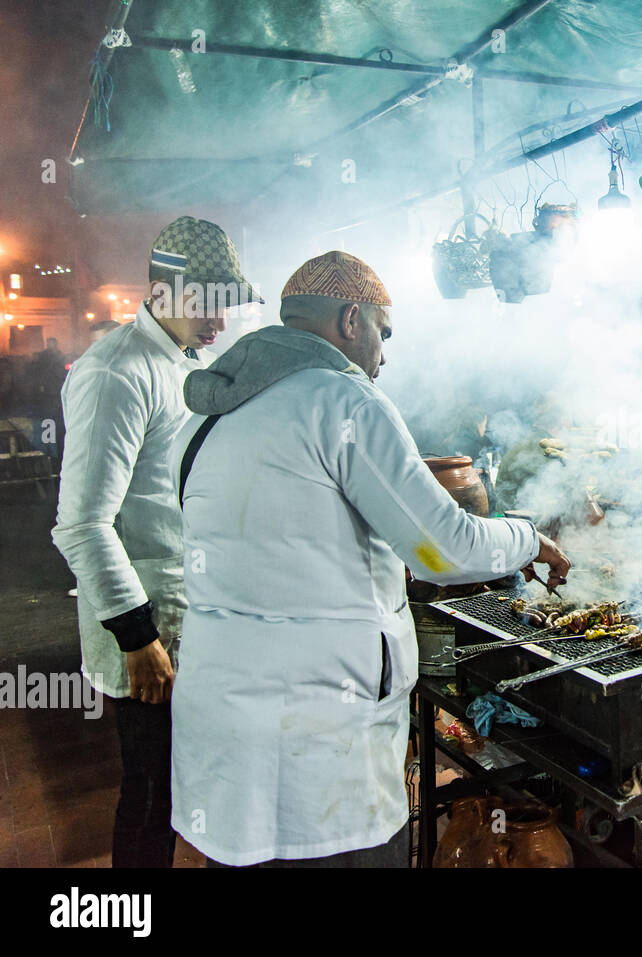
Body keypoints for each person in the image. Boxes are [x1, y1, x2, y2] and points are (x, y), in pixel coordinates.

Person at [168, 250, 570, 867]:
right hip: (321, 731)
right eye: (384, 333)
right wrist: (525, 536)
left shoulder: (206, 417)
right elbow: (444, 547)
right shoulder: (343, 401)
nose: (385, 355)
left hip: (220, 716)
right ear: (351, 319)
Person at [51, 216, 255, 868]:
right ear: (167, 290)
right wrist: (138, 638)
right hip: (145, 628)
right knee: (147, 792)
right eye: (211, 305)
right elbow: (81, 523)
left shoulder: (181, 363)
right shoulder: (116, 371)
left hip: (185, 617)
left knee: (175, 790)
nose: (220, 323)